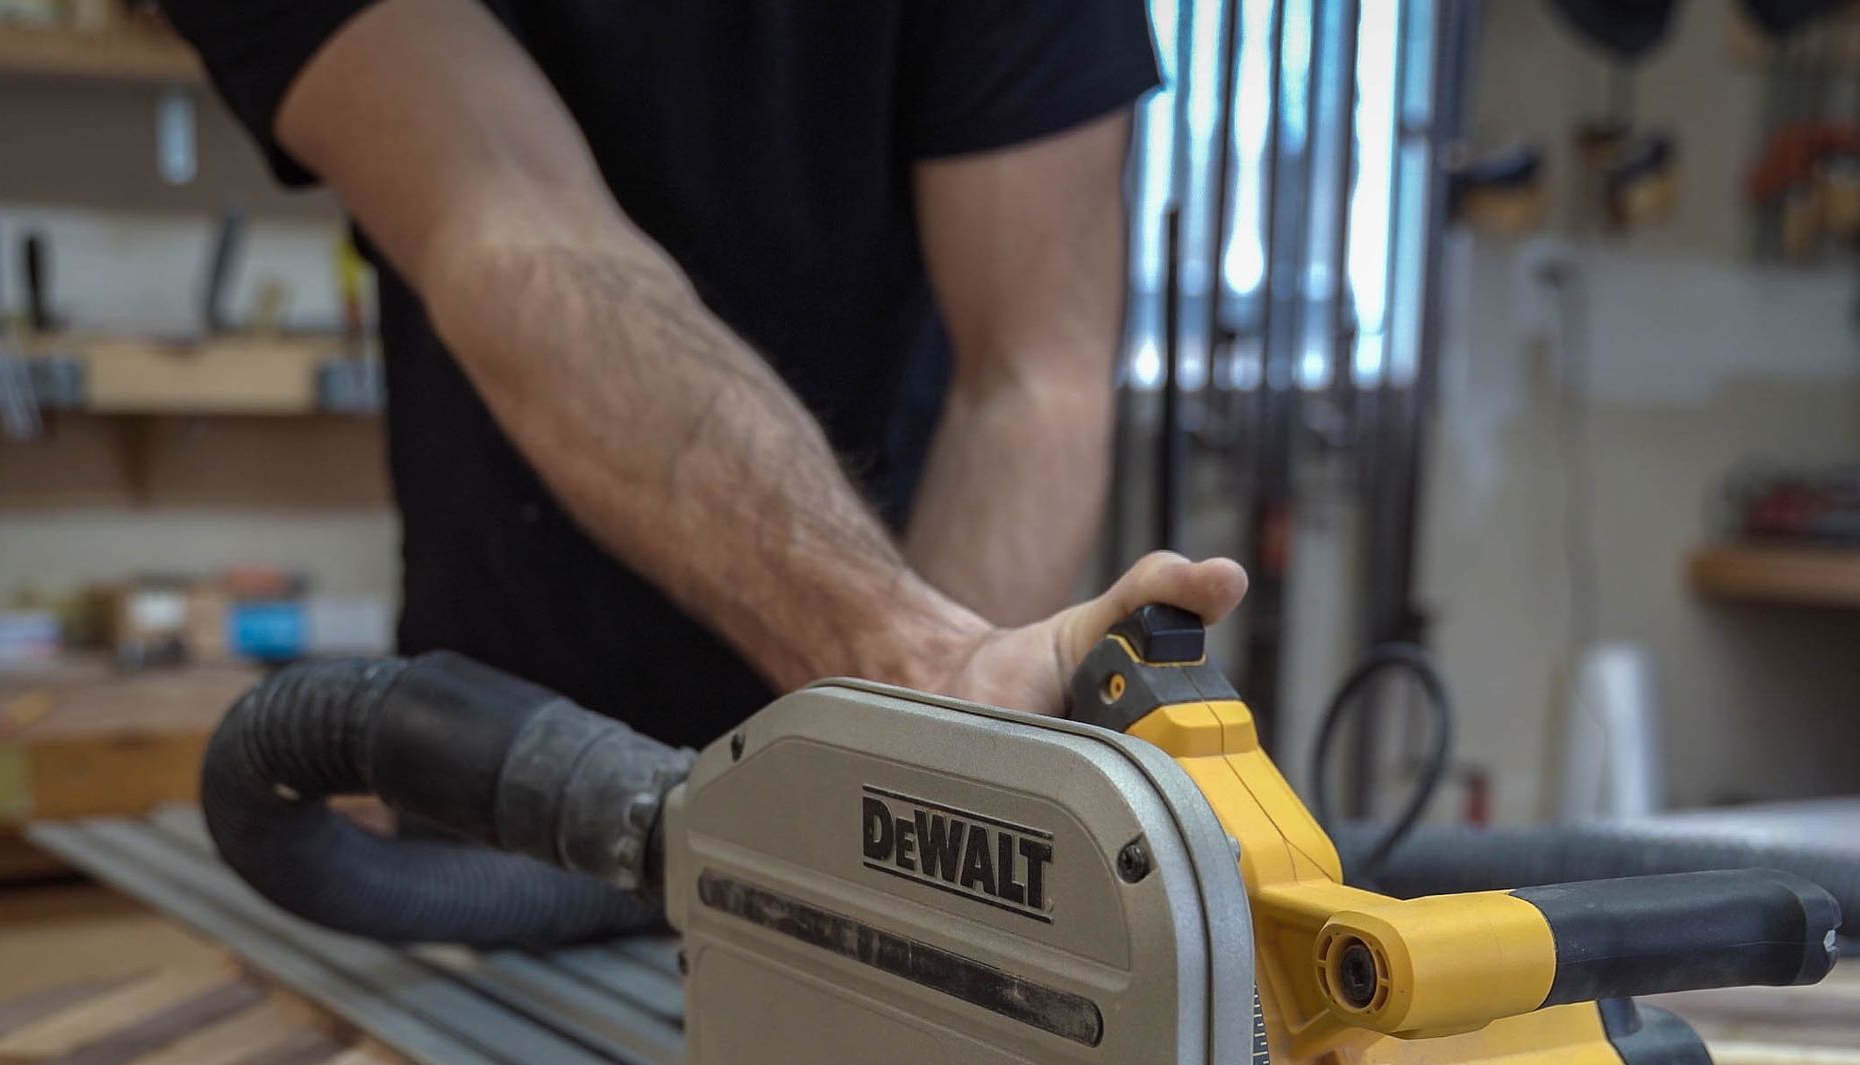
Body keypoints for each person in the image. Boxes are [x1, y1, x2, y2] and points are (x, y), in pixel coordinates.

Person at [161, 0, 1247, 747]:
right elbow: (519, 235)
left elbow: (1028, 376)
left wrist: (928, 772)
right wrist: (915, 669)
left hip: (920, 619)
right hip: (513, 763)